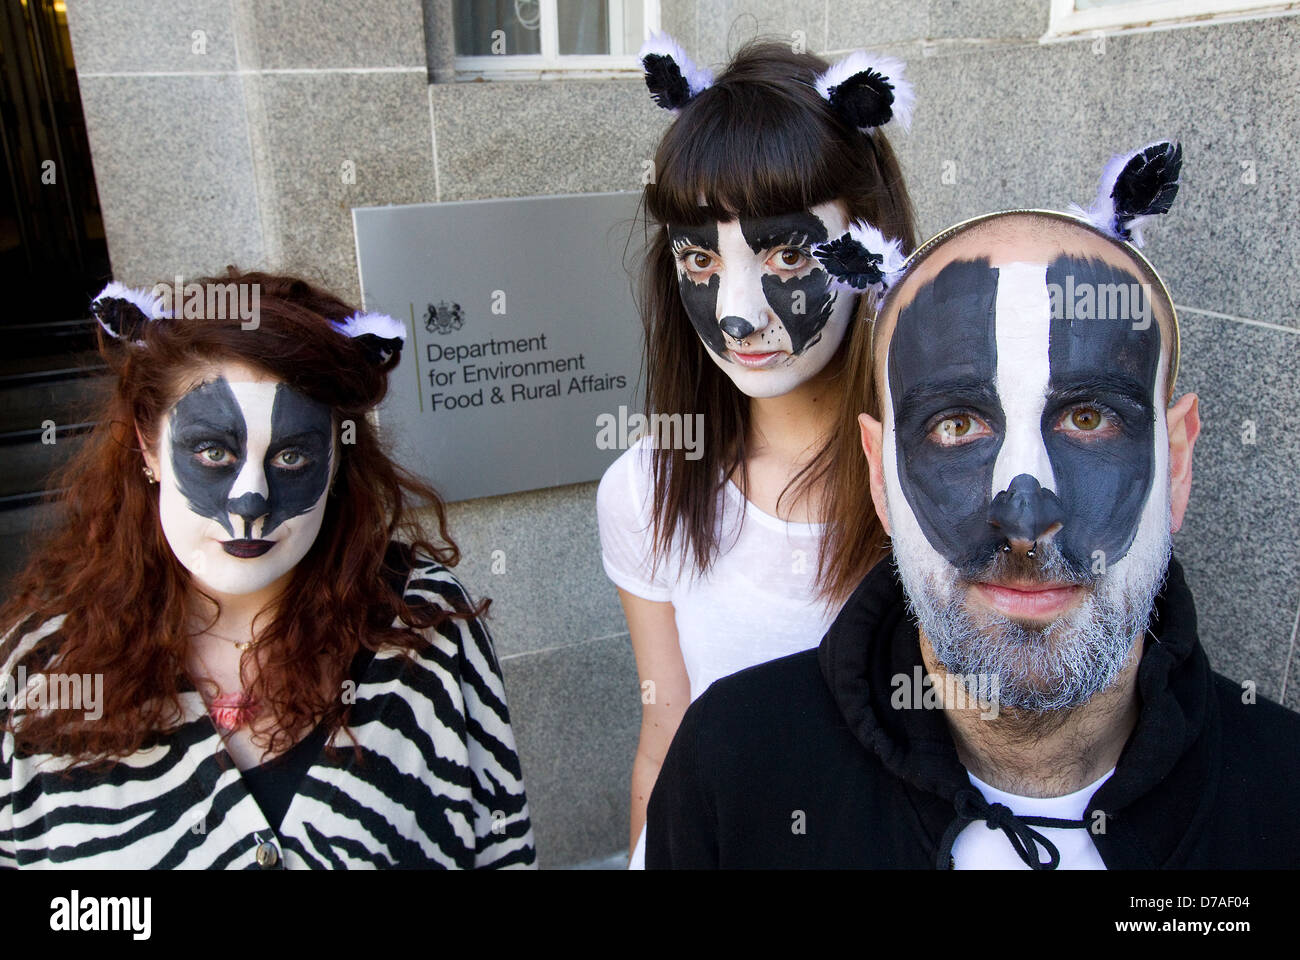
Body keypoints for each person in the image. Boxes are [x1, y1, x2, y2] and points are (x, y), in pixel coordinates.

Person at [645, 141, 1300, 868]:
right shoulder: (733, 772)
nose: (1024, 518)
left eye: (1088, 419)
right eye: (956, 426)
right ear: (879, 476)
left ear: (1176, 464)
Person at [0, 271, 535, 869]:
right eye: (213, 452)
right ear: (148, 448)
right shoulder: (44, 672)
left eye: (291, 455)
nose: (249, 500)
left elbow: (502, 850)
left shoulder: (429, 630)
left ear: (335, 461)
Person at [596, 32, 919, 867]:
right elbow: (666, 724)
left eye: (785, 251)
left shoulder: (938, 481)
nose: (737, 311)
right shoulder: (645, 489)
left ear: (868, 242)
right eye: (700, 258)